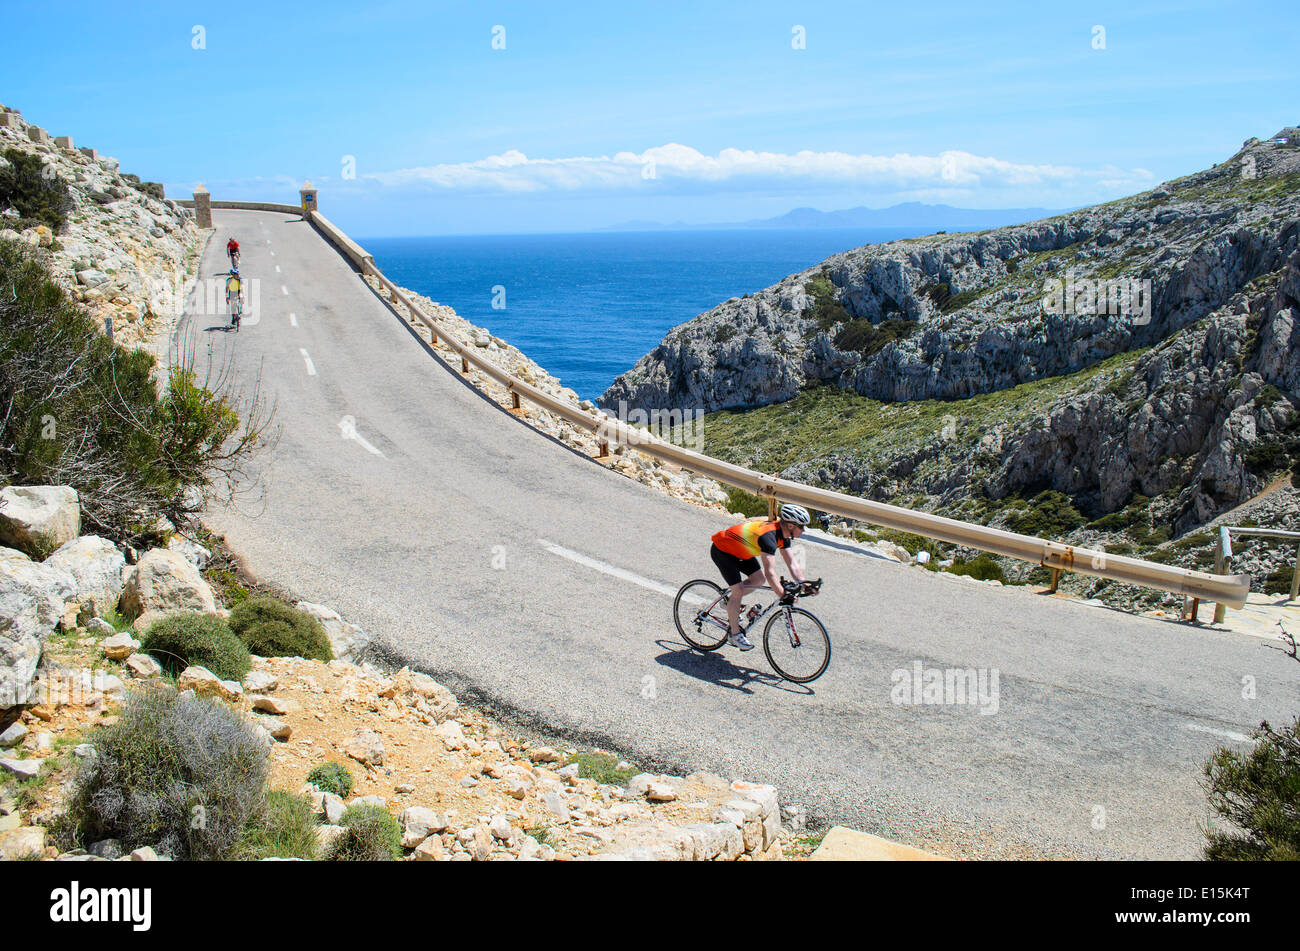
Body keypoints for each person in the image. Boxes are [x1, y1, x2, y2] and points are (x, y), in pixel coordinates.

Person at [710, 503, 813, 650]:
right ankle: (734, 634)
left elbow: (792, 564)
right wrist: (782, 595)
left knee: (758, 580)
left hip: (741, 551)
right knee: (738, 590)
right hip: (723, 551)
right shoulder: (769, 537)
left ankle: (729, 603)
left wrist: (803, 583)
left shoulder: (783, 535)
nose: (803, 530)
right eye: (801, 527)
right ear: (790, 525)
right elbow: (770, 573)